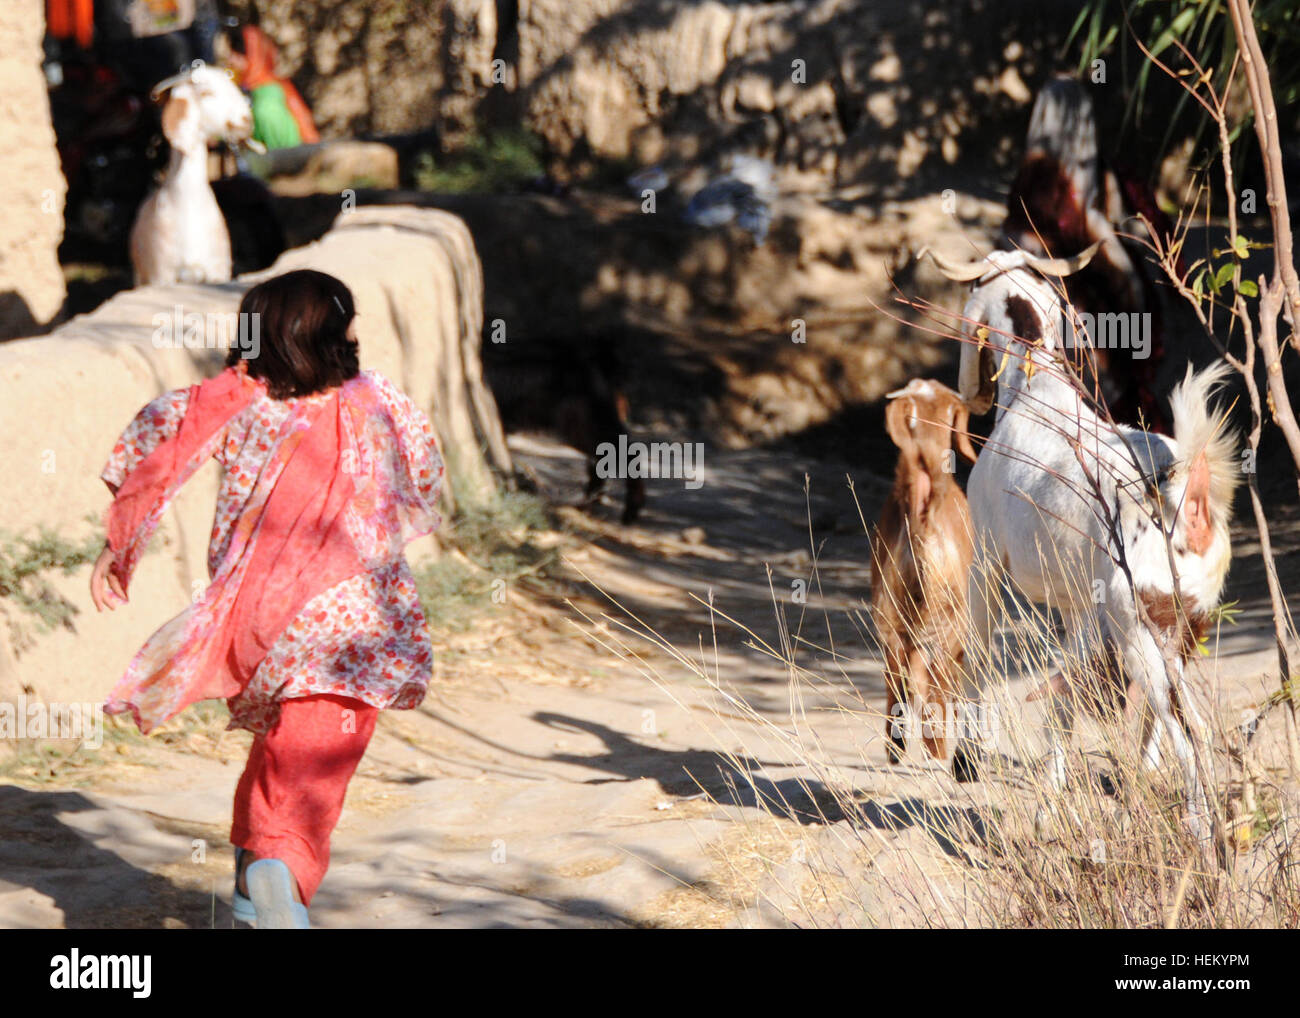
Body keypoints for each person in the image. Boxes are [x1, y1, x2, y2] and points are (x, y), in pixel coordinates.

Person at [91, 270, 444, 928]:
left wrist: (120, 539)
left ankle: (247, 904)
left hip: (261, 621)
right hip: (353, 630)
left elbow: (160, 437)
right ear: (340, 337)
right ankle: (278, 891)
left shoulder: (236, 401)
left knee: (279, 754)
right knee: (307, 787)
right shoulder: (379, 401)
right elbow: (425, 470)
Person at [224, 22, 320, 149]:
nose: (230, 61)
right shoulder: (265, 95)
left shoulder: (266, 108)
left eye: (236, 54)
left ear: (253, 57)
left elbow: (284, 158)